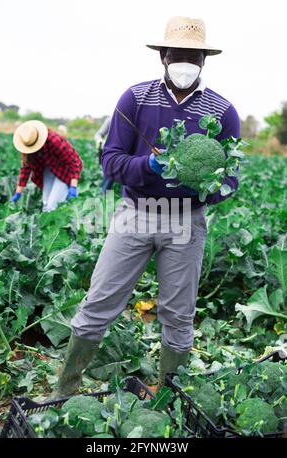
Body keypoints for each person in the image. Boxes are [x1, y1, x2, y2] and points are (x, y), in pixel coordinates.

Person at [54, 16, 241, 396]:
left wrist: (207, 186)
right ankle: (64, 389)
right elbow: (111, 161)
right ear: (163, 57)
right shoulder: (135, 99)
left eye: (193, 55)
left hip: (186, 222)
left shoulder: (223, 112)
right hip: (134, 215)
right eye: (177, 54)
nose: (185, 62)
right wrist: (147, 166)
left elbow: (231, 178)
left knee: (178, 314)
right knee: (100, 300)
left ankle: (170, 396)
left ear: (205, 59)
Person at [11, 120, 83, 212]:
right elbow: (26, 168)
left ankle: (59, 222)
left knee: (52, 206)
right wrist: (18, 193)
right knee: (45, 204)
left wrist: (73, 187)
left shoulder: (53, 140)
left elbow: (73, 162)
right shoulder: (27, 146)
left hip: (65, 169)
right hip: (49, 168)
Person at [94, 116, 113, 193]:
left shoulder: (132, 119)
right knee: (108, 179)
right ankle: (103, 198)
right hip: (110, 153)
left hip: (128, 155)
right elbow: (98, 134)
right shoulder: (111, 119)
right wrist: (99, 141)